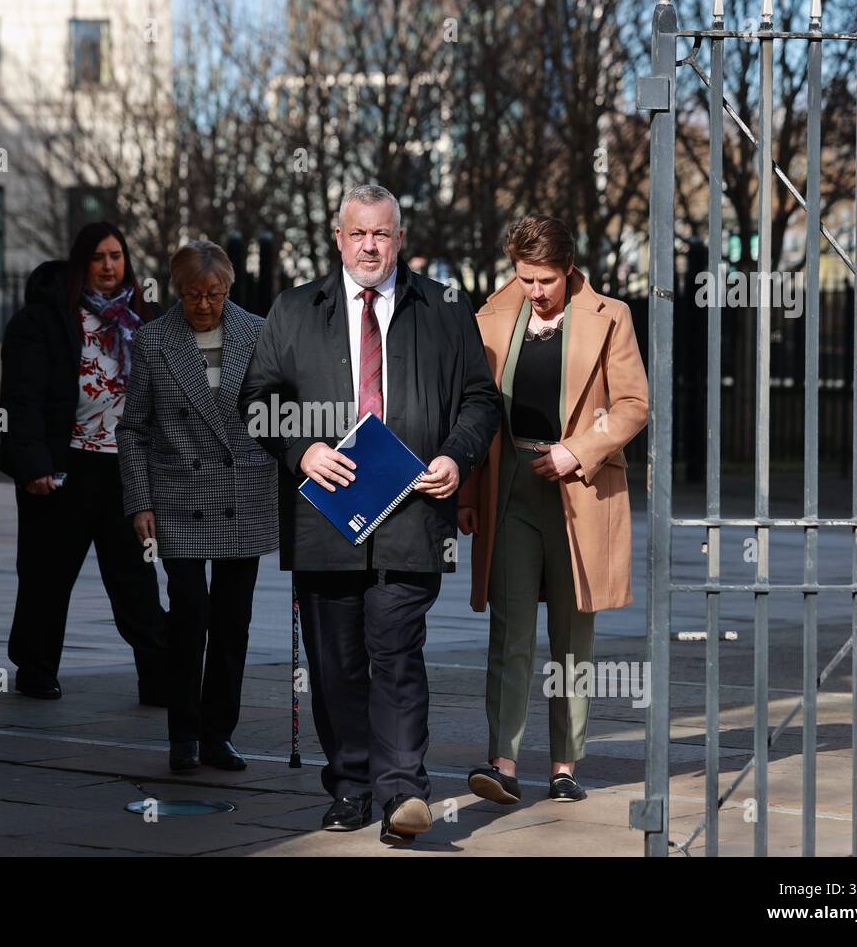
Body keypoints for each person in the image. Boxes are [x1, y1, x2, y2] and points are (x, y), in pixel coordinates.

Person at [240, 184, 501, 845]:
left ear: (400, 237)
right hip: (327, 516)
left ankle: (402, 791)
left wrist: (455, 457)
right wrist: (303, 449)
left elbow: (480, 399)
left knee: (397, 649)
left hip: (414, 512)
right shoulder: (295, 309)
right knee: (337, 662)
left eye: (381, 234)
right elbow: (255, 399)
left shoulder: (442, 306)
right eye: (357, 234)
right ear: (338, 238)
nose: (369, 246)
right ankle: (352, 785)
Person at [456, 214, 648, 805]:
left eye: (544, 279)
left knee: (573, 633)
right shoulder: (492, 314)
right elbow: (474, 407)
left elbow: (634, 405)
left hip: (580, 485)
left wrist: (577, 451)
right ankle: (503, 762)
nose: (535, 291)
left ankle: (565, 766)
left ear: (568, 268)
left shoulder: (610, 315)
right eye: (524, 278)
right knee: (509, 628)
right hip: (508, 482)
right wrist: (467, 492)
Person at [118, 241, 278, 774]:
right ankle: (182, 734)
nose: (204, 305)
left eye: (213, 294)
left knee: (234, 622)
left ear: (228, 289)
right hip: (178, 497)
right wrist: (140, 501)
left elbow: (280, 412)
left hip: (243, 494)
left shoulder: (257, 332)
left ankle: (217, 735)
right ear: (177, 290)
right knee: (190, 614)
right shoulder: (154, 339)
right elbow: (133, 428)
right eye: (193, 295)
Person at [0, 222, 168, 702]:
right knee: (46, 577)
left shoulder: (145, 321)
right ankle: (35, 669)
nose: (110, 266)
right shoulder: (45, 320)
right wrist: (33, 465)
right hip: (62, 470)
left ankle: (159, 679)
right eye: (98, 258)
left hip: (125, 472)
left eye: (117, 256)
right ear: (81, 264)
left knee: (136, 580)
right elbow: (22, 398)